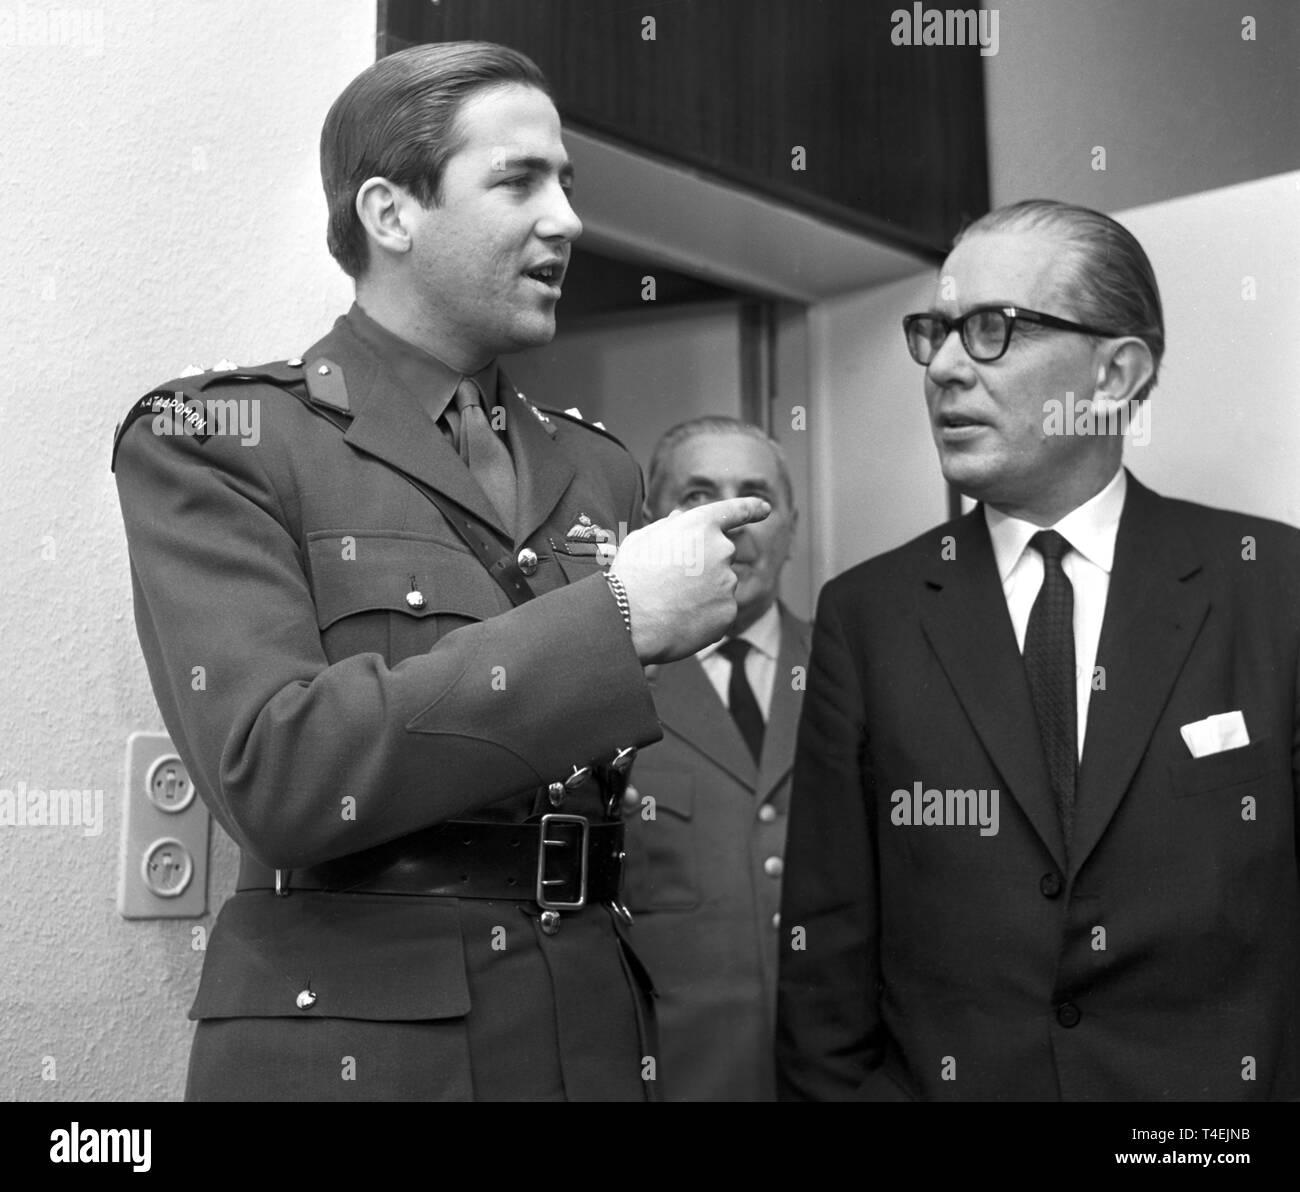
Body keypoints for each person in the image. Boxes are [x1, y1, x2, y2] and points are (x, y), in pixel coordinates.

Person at [112, 41, 769, 1102]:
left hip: (593, 1033)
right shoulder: (220, 437)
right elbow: (274, 777)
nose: (566, 219)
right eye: (519, 180)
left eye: (567, 183)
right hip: (367, 1054)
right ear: (390, 213)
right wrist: (618, 616)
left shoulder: (596, 464)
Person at [776, 199, 1300, 1101]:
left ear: (1115, 373)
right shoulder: (869, 617)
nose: (942, 367)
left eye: (991, 330)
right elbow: (825, 959)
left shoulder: (1272, 585)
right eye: (934, 332)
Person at [620, 417, 810, 1101]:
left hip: (836, 1075)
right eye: (698, 496)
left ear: (792, 521)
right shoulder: (608, 689)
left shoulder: (853, 671)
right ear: (649, 526)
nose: (730, 522)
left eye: (755, 495)